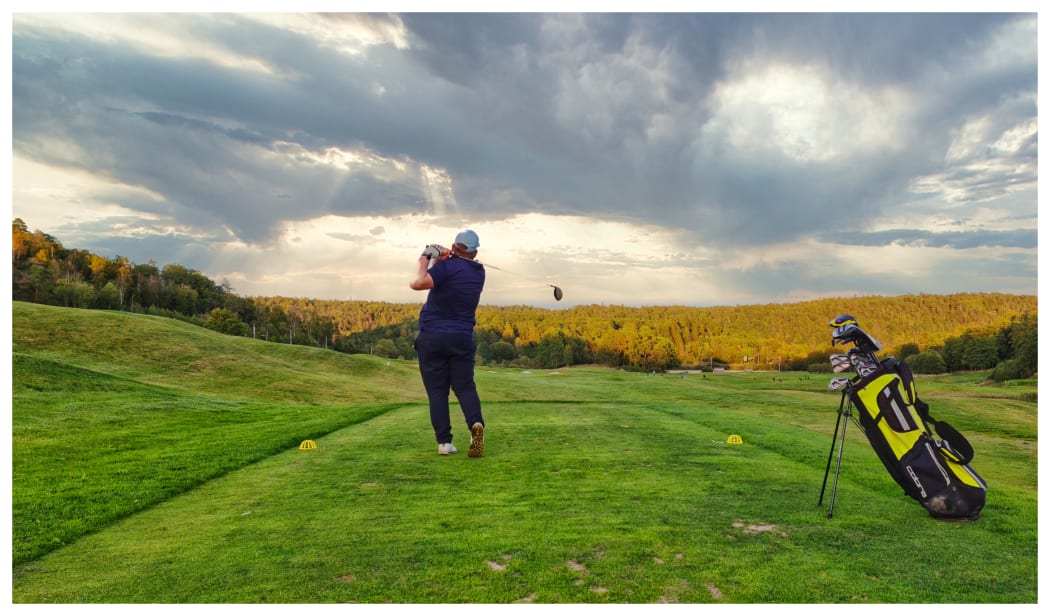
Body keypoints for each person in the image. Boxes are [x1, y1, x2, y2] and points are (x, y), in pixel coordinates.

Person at [409, 229, 486, 457]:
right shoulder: (479, 272)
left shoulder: (446, 267)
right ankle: (476, 426)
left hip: (432, 336)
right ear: (476, 252)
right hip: (461, 338)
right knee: (464, 387)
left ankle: (444, 443)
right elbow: (452, 273)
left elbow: (418, 282)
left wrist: (426, 256)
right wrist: (441, 258)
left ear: (454, 247)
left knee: (437, 392)